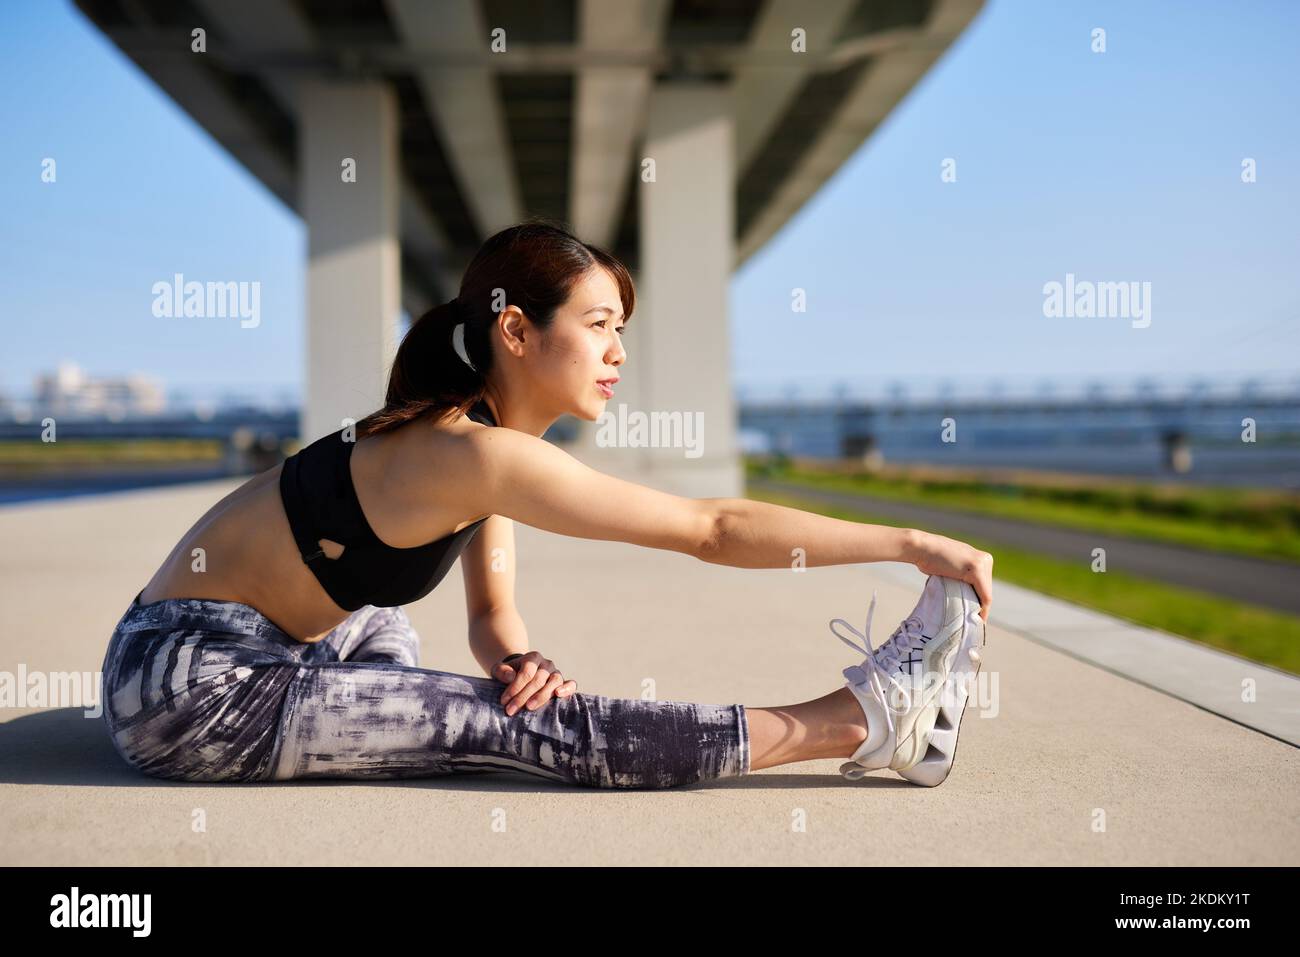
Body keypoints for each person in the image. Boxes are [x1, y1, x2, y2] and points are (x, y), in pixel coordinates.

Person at [100, 218, 994, 790]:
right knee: (533, 732)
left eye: (622, 330)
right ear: (517, 331)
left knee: (409, 646)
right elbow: (712, 530)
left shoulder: (486, 446)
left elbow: (491, 612)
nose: (617, 352)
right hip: (187, 685)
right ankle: (862, 721)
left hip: (263, 641)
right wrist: (912, 541)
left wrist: (519, 656)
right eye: (598, 324)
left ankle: (391, 716)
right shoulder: (473, 452)